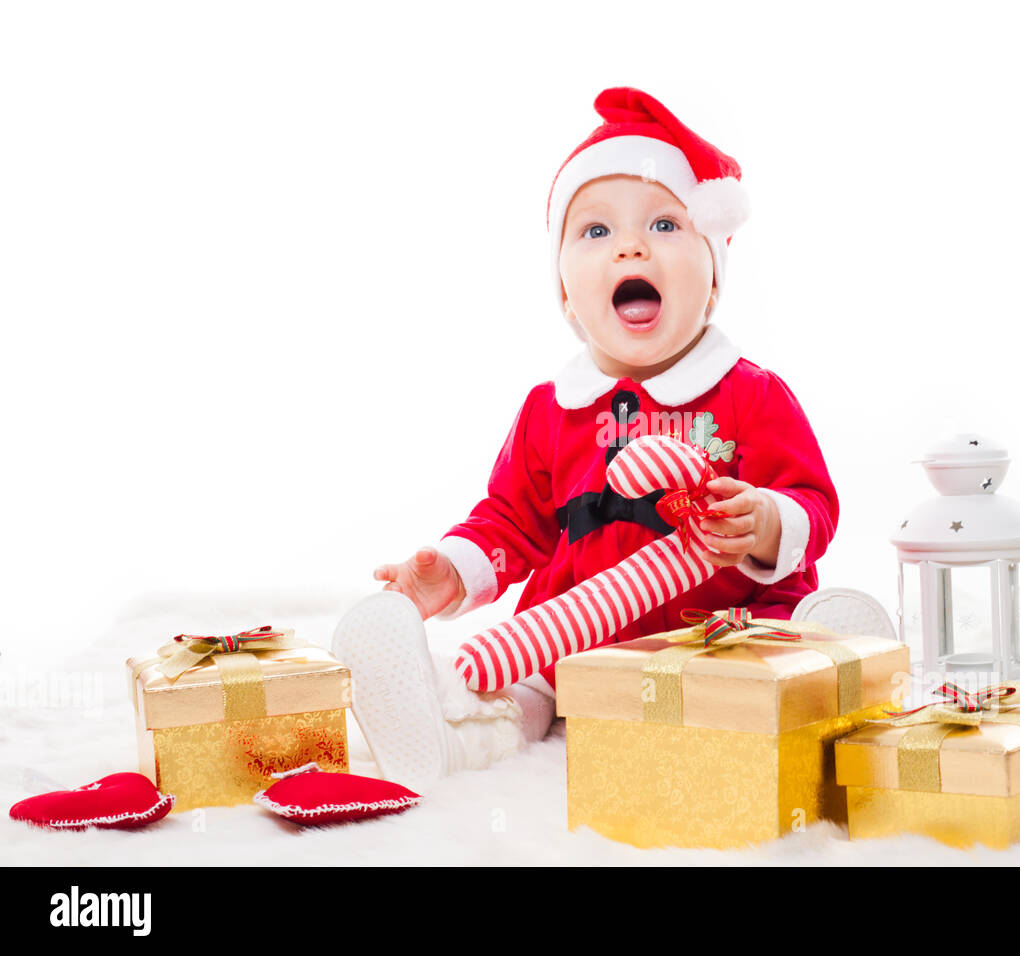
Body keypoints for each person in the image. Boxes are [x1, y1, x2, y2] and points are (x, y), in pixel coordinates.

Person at [332, 87, 840, 792]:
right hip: (577, 641)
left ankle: (837, 665)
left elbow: (813, 503)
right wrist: (451, 568)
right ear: (567, 295)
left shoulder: (749, 393)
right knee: (526, 684)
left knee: (767, 668)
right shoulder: (550, 409)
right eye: (595, 232)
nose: (630, 244)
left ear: (714, 280)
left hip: (721, 632)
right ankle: (455, 736)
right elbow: (511, 519)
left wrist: (763, 520)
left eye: (665, 225)